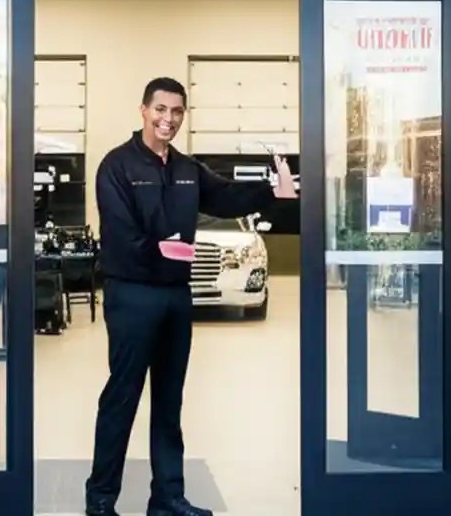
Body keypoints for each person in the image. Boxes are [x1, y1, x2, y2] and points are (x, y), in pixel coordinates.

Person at [85, 77, 297, 516]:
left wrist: (274, 191)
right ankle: (101, 501)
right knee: (121, 398)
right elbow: (121, 238)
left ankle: (167, 498)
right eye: (160, 110)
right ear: (143, 110)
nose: (168, 119)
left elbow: (227, 196)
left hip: (176, 300)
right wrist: (168, 251)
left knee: (170, 399)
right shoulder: (116, 166)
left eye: (177, 111)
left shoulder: (187, 169)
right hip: (132, 297)